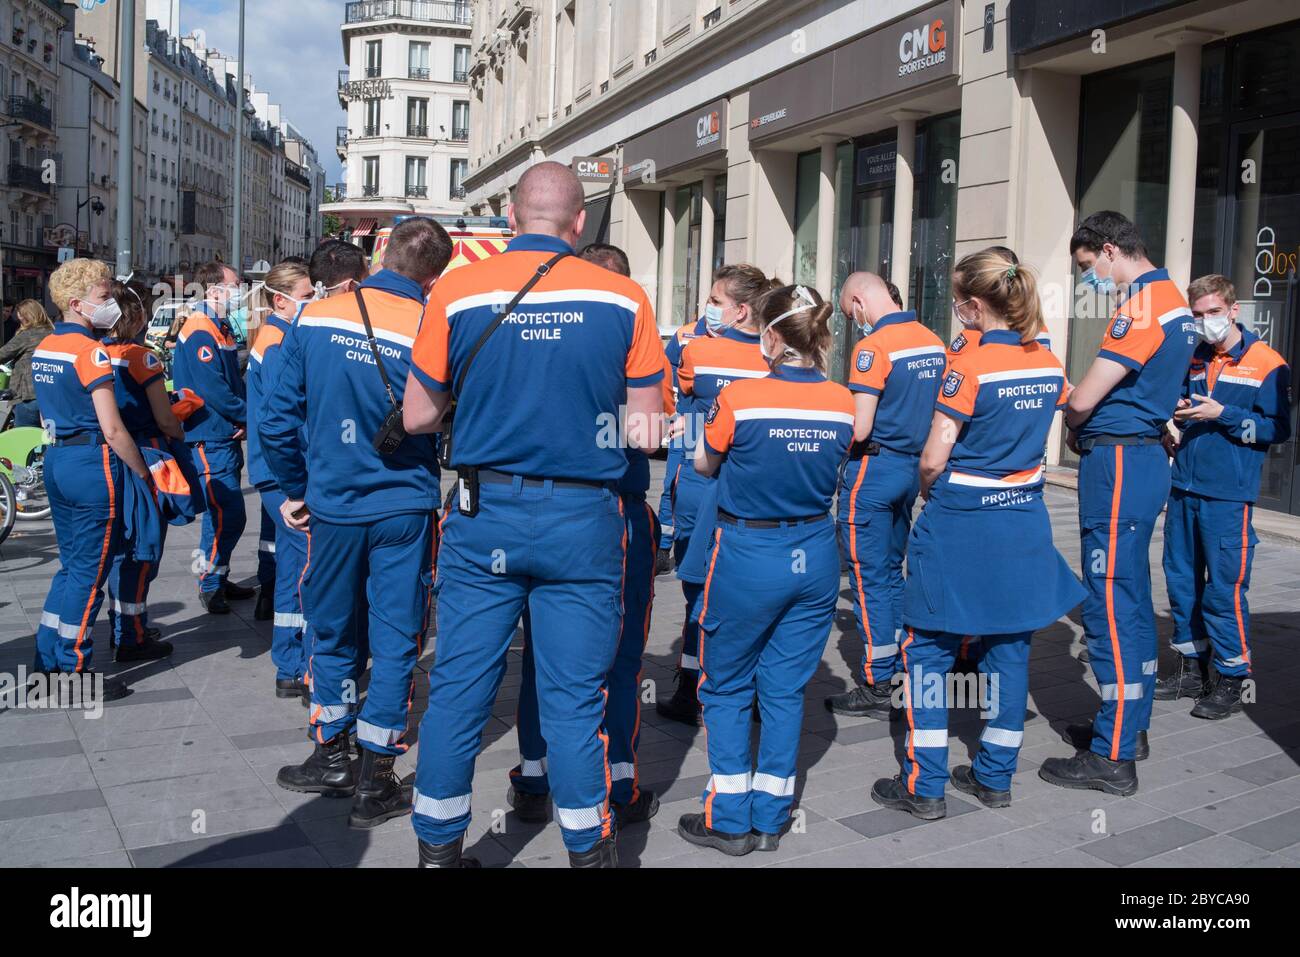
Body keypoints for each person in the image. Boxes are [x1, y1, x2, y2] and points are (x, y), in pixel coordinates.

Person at [403, 161, 665, 869]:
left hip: (484, 512)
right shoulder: (623, 296)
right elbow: (647, 435)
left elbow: (418, 414)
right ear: (580, 223)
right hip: (583, 518)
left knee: (459, 688)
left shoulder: (455, 290)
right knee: (574, 698)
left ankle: (436, 853)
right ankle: (590, 851)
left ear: (510, 219)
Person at [871, 249, 1084, 820]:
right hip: (1022, 515)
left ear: (972, 305)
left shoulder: (967, 366)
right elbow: (1060, 412)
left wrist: (925, 487)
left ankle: (926, 784)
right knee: (1010, 646)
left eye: (960, 301)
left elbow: (935, 455)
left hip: (962, 517)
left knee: (929, 651)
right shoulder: (1048, 362)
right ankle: (994, 776)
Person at [263, 227, 449, 830]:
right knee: (396, 637)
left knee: (334, 628)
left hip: (334, 506)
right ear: (432, 276)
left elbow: (274, 418)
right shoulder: (435, 323)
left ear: (379, 258)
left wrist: (297, 489)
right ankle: (376, 776)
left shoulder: (317, 315)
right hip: (404, 507)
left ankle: (332, 751)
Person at [674, 284, 851, 856]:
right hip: (816, 553)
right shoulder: (844, 401)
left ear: (770, 335)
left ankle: (728, 818)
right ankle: (772, 815)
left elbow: (704, 464)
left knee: (725, 686)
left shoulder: (742, 397)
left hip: (750, 551)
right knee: (783, 688)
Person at [507, 241, 665, 828]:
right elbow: (654, 430)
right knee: (620, 660)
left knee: (543, 658)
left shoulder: (542, 340)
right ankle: (617, 788)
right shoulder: (635, 339)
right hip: (613, 513)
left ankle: (533, 777)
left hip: (532, 510)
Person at [1040, 211, 1198, 795]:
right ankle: (1129, 727)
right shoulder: (1175, 299)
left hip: (1121, 462)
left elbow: (1088, 395)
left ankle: (1113, 755)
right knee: (1128, 597)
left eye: (1089, 268)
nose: (1089, 282)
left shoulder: (1141, 304)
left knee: (1109, 605)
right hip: (1142, 458)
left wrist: (1069, 407)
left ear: (1110, 250)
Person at [1157, 275, 1290, 720]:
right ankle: (1191, 669)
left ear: (1233, 310)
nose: (1204, 321)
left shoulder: (1267, 362)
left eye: (1212, 312)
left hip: (1228, 495)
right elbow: (1173, 401)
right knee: (1181, 580)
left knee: (1225, 589)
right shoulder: (1195, 357)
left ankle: (1233, 678)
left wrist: (1225, 414)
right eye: (1196, 315)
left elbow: (1277, 430)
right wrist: (1167, 427)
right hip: (1184, 487)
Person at [30, 259, 156, 702]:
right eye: (104, 298)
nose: (111, 307)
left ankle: (47, 659)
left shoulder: (45, 346)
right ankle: (73, 668)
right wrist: (143, 472)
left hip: (58, 459)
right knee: (90, 572)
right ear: (77, 303)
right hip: (92, 465)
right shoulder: (91, 352)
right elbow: (113, 428)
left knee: (69, 568)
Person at [656, 264, 774, 726]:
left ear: (741, 309)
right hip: (751, 492)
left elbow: (679, 402)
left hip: (701, 487)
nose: (707, 307)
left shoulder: (699, 351)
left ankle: (692, 691)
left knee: (697, 596)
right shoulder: (775, 359)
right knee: (750, 596)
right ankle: (752, 691)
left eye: (715, 300)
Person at [825, 273, 945, 719]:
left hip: (872, 472)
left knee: (868, 577)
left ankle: (879, 681)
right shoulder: (932, 340)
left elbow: (859, 426)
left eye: (848, 311)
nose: (852, 320)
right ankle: (899, 670)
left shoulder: (873, 348)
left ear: (859, 300)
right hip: (911, 468)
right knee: (893, 573)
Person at [101, 280, 186, 664]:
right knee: (143, 547)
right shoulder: (141, 357)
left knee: (118, 545)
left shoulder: (94, 352)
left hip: (103, 455)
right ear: (134, 315)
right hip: (145, 452)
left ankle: (121, 622)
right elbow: (165, 419)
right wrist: (180, 422)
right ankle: (131, 634)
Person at [246, 260, 316, 702]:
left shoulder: (274, 335)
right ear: (282, 300)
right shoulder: (277, 343)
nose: (313, 302)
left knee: (293, 565)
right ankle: (294, 662)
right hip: (280, 472)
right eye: (307, 296)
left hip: (273, 470)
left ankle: (291, 661)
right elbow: (281, 419)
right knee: (302, 567)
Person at [172, 262, 252, 614]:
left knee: (224, 514)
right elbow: (213, 389)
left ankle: (217, 576)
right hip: (209, 434)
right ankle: (209, 580)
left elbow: (231, 381)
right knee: (227, 513)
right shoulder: (202, 328)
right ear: (215, 288)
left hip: (221, 433)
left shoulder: (219, 326)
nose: (241, 291)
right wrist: (246, 415)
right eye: (236, 284)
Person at [657, 311, 710, 574]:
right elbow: (665, 375)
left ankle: (699, 544)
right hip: (685, 424)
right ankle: (664, 545)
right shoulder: (684, 335)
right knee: (671, 486)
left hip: (714, 426)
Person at [0, 300, 55, 428]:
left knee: (25, 439)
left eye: (22, 319)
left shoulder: (28, 335)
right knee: (49, 436)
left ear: (28, 317)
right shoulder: (54, 333)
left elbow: (3, 354)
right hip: (52, 394)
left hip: (29, 395)